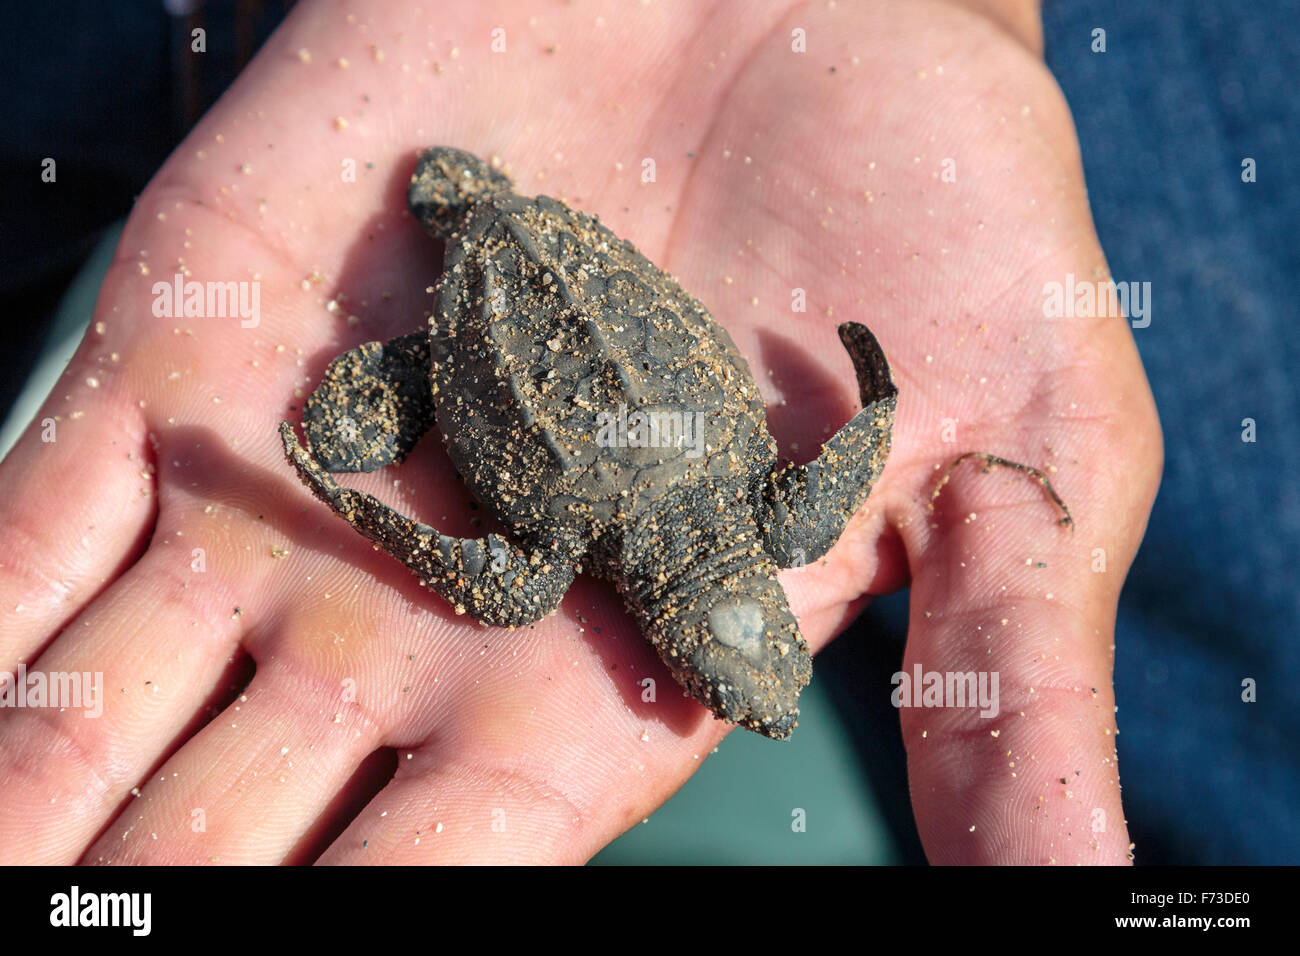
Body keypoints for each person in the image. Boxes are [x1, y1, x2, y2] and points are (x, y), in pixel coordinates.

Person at [0, 0, 1160, 864]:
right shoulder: (593, 546)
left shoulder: (745, 514)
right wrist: (331, 495)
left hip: (516, 301)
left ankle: (375, 403)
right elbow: (477, 558)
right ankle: (378, 399)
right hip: (465, 303)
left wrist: (881, 397)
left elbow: (840, 456)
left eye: (733, 673)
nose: (741, 691)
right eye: (736, 672)